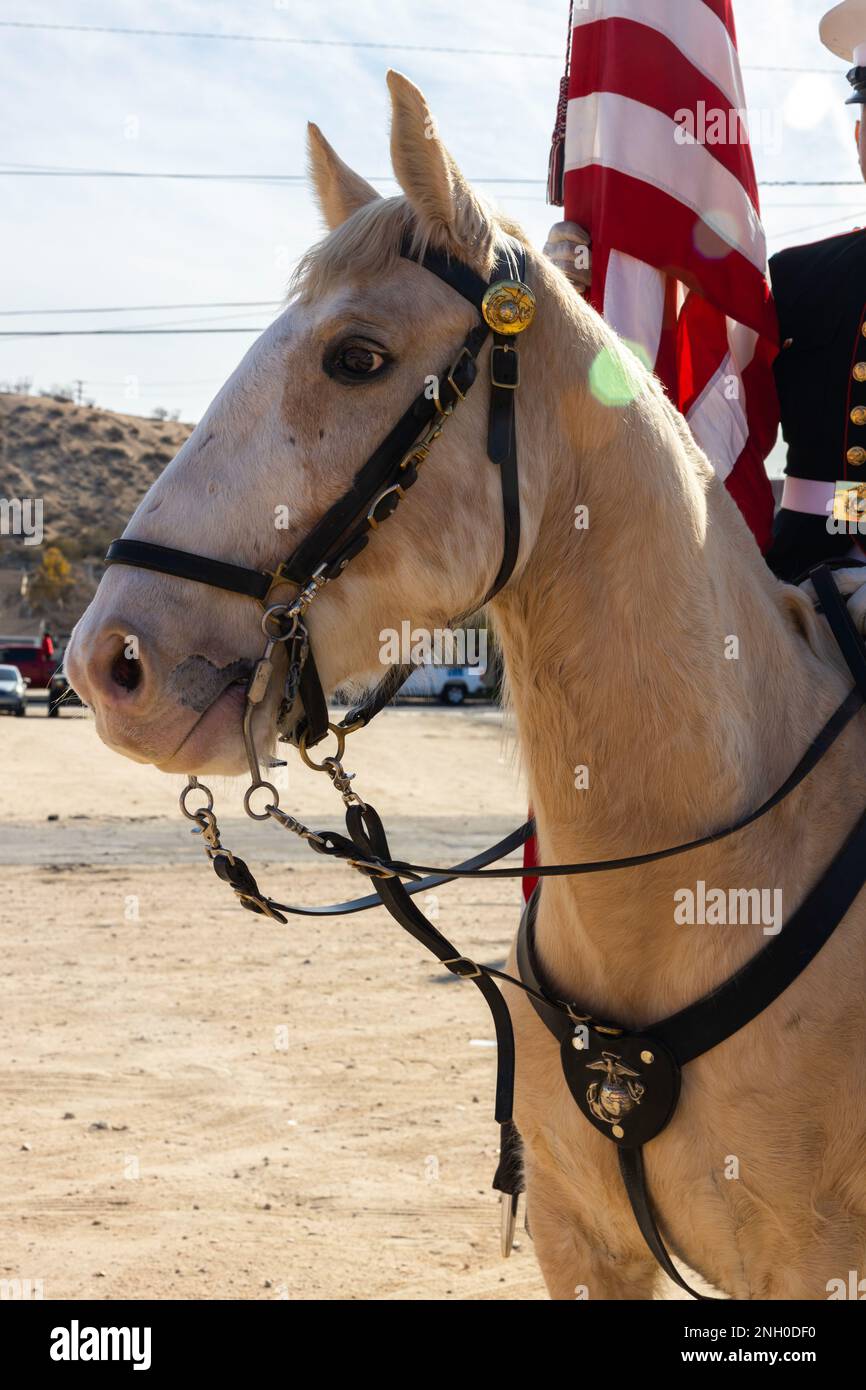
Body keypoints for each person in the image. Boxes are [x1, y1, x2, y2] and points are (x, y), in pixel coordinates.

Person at [546, 0, 866, 584]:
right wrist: (577, 310)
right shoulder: (798, 279)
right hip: (798, 589)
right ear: (860, 137)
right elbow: (683, 404)